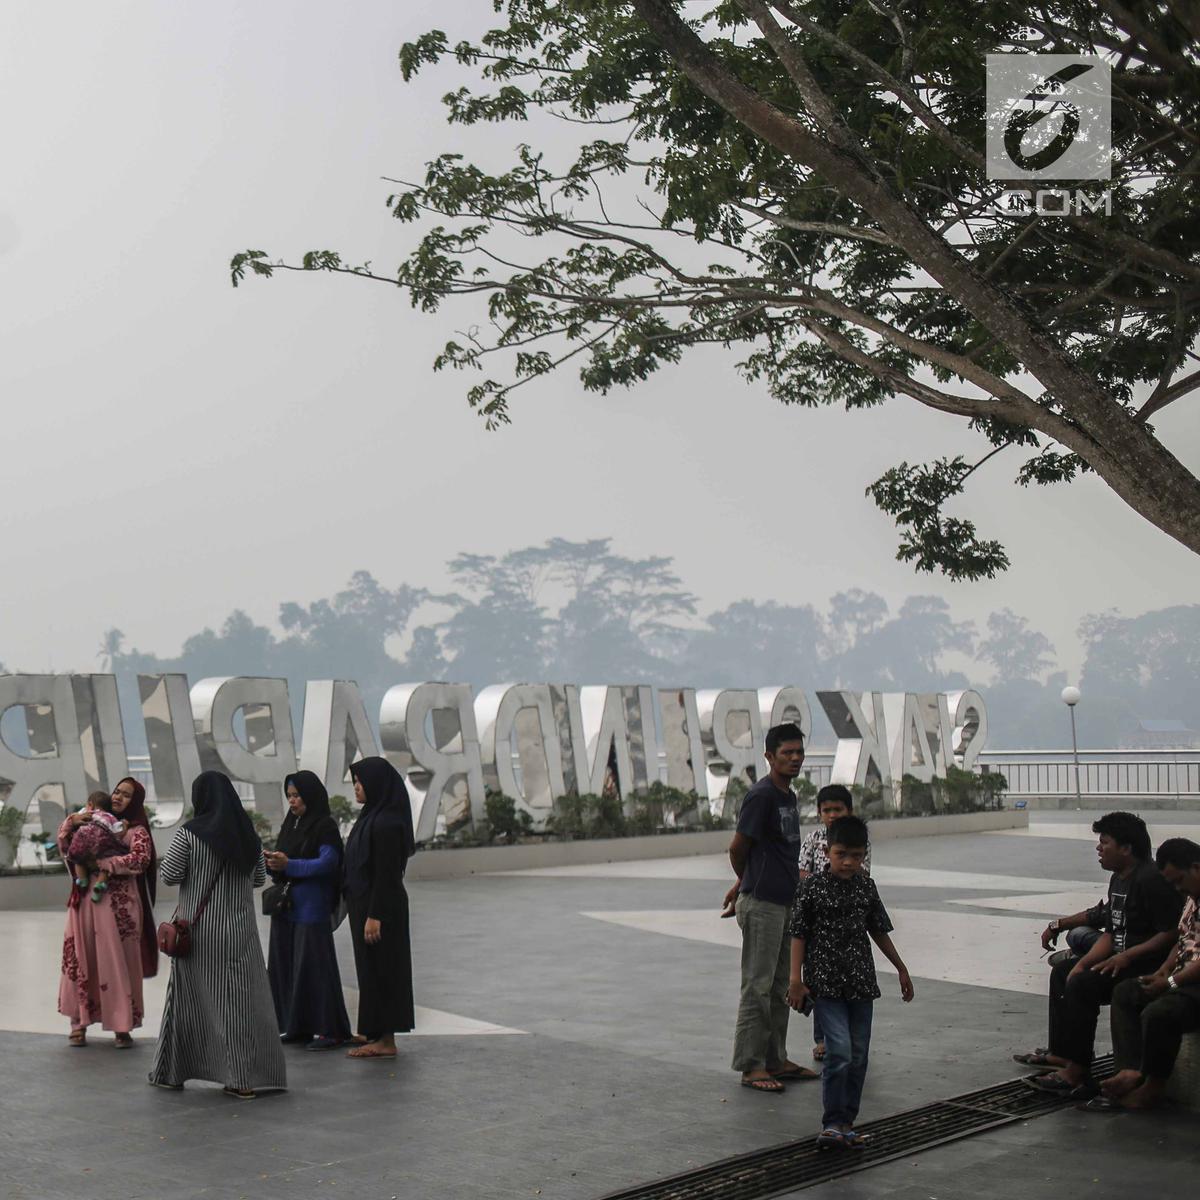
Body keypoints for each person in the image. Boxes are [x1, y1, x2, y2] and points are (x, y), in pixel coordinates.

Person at [1019, 812, 1182, 1096]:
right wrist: (1082, 963)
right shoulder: (1119, 879)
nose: (1098, 848)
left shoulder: (1150, 879)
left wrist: (1128, 957)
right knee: (1065, 972)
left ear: (1126, 848)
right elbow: (1109, 932)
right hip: (1119, 960)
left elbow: (1169, 933)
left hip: (1146, 965)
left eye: (1104, 842)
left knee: (1084, 985)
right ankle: (1064, 1053)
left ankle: (1078, 1072)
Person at [149, 771, 286, 1097]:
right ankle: (241, 1080)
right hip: (240, 934)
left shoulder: (189, 834)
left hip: (198, 936)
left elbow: (169, 875)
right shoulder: (249, 837)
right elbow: (257, 880)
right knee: (238, 1004)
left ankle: (172, 1073)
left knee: (188, 1001)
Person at [787, 815, 914, 1150]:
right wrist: (795, 980)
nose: (848, 862)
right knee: (839, 1051)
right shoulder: (811, 888)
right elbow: (798, 934)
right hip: (825, 985)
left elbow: (878, 930)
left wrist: (901, 968)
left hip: (860, 984)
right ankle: (831, 1123)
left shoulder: (865, 887)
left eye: (856, 856)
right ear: (827, 850)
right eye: (841, 853)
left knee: (858, 1056)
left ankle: (846, 1122)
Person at [722, 722, 818, 1092]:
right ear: (769, 757)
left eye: (799, 753)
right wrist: (746, 883)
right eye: (787, 753)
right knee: (757, 986)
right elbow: (738, 847)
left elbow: (772, 852)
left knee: (780, 986)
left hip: (784, 901)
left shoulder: (787, 795)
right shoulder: (761, 796)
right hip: (762, 904)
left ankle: (775, 1058)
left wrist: (739, 882)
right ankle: (751, 1065)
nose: (795, 759)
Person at [1084, 837, 1200, 1112]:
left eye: (1179, 880)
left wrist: (1170, 982)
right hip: (1183, 974)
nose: (1177, 888)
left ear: (1196, 867)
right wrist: (1164, 970)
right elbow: (1183, 939)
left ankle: (1152, 1086)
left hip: (1195, 983)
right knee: (1126, 992)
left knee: (1160, 1012)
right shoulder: (1192, 898)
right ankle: (1128, 1073)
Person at [57, 777, 158, 1048]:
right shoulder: (90, 820)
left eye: (126, 795)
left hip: (119, 908)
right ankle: (78, 1023)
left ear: (134, 802)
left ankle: (122, 1026)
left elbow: (140, 859)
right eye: (117, 792)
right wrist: (70, 823)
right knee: (82, 956)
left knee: (119, 963)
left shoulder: (135, 831)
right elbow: (67, 847)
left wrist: (104, 863)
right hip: (85, 901)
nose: (118, 798)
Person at [263, 770, 352, 1050]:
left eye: (297, 795)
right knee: (287, 965)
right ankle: (297, 1026)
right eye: (289, 796)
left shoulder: (323, 825)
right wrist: (274, 863)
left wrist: (290, 865)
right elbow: (287, 859)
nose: (292, 801)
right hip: (287, 906)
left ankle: (331, 1030)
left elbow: (328, 863)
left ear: (310, 795)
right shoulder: (291, 824)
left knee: (315, 966)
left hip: (311, 906)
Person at [343, 756, 416, 1059]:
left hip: (381, 908)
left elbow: (386, 875)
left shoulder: (386, 823)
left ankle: (387, 1040)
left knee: (385, 970)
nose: (357, 788)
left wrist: (375, 915)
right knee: (370, 969)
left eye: (360, 782)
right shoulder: (371, 816)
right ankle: (375, 1030)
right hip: (366, 904)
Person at [797, 784, 871, 1064]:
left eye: (837, 809)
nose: (831, 814)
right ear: (819, 813)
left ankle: (844, 1034)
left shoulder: (857, 840)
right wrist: (818, 892)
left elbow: (863, 874)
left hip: (849, 921)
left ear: (848, 811)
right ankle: (823, 1039)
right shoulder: (813, 839)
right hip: (818, 919)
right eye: (826, 810)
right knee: (819, 983)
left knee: (846, 981)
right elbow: (803, 870)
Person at [65, 791, 129, 902]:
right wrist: (125, 826)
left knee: (78, 859)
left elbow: (73, 819)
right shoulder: (110, 817)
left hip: (83, 837)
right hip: (101, 841)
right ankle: (99, 884)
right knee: (106, 864)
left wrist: (74, 820)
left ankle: (82, 880)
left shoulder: (86, 812)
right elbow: (118, 832)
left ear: (90, 804)